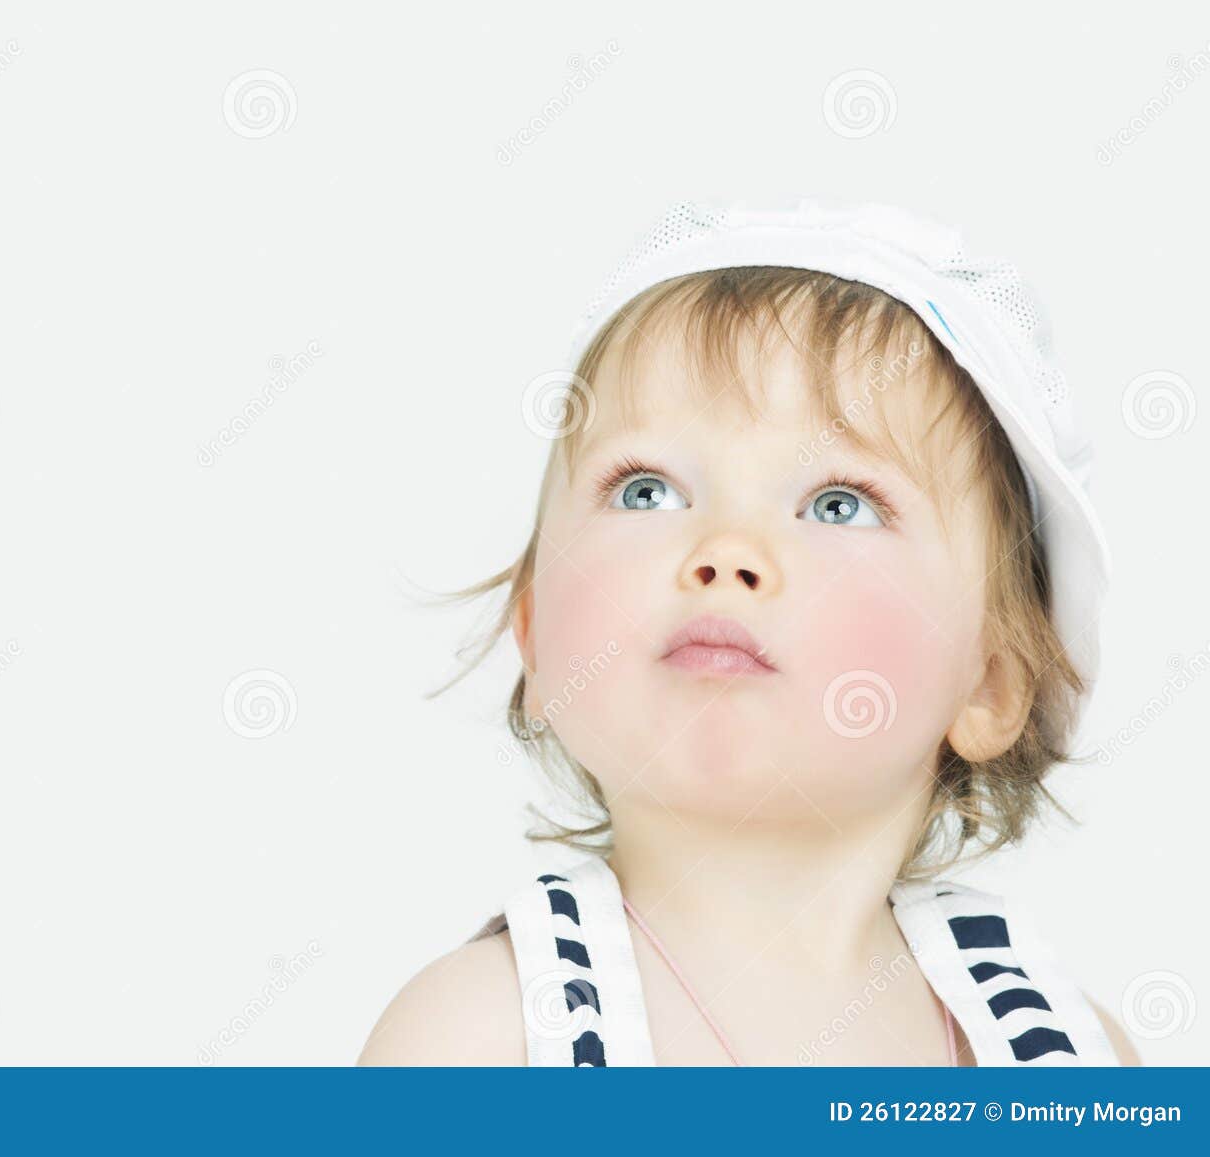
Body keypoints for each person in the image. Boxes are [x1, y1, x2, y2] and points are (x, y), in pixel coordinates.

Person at [358, 199, 1141, 1067]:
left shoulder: (1066, 1057)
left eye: (838, 504)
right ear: (536, 635)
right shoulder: (479, 1037)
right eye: (646, 490)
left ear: (989, 682)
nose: (726, 550)